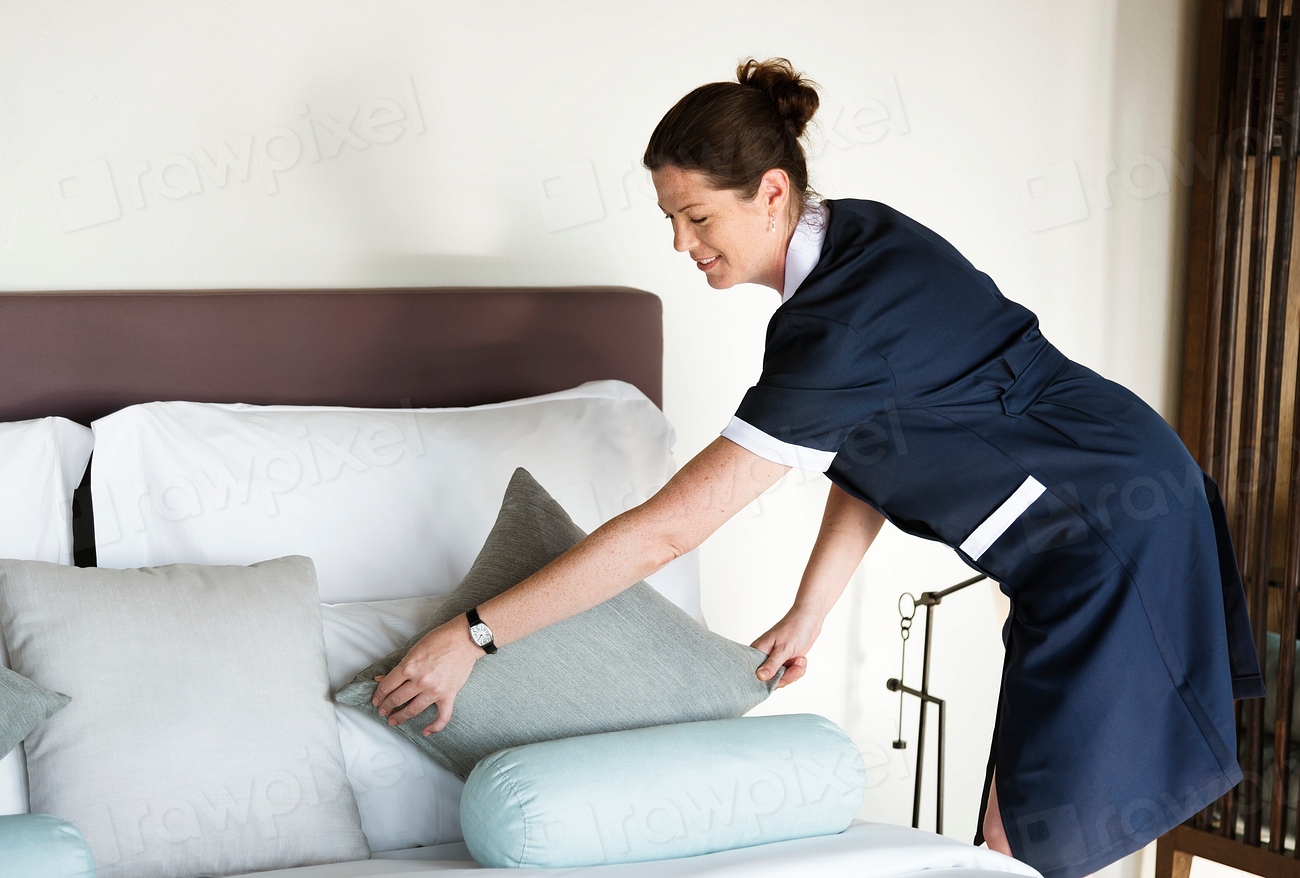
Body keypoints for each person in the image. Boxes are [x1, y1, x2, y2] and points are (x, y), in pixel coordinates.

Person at [371, 58, 1265, 878]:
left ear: (770, 192)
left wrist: (475, 636)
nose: (681, 245)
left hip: (1110, 530)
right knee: (1017, 827)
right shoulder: (858, 242)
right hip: (1102, 500)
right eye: (670, 220)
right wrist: (810, 612)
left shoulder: (834, 328)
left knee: (1022, 841)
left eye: (697, 217)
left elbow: (667, 530)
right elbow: (869, 440)